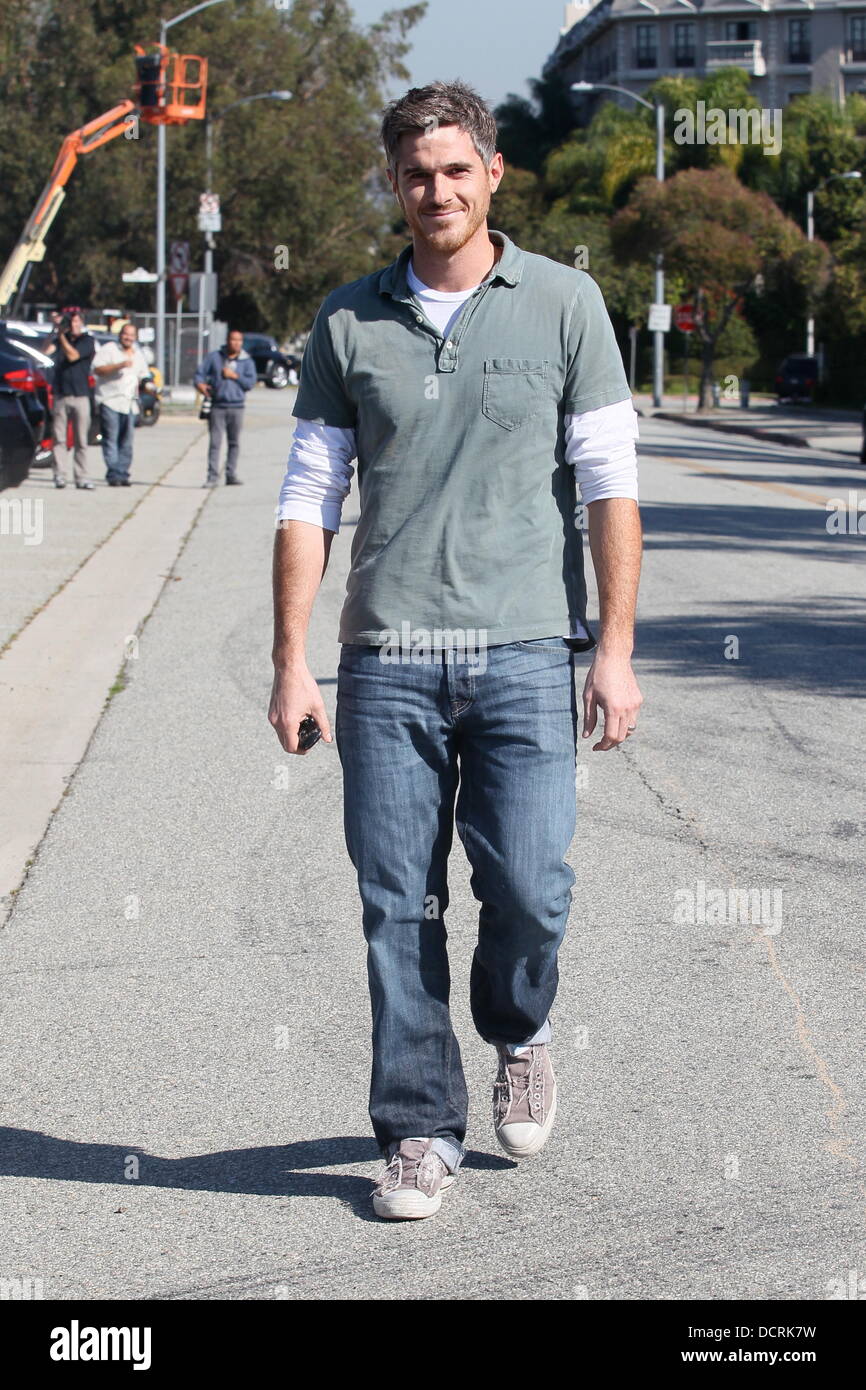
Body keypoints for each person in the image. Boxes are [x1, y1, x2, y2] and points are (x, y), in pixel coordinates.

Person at [269, 81, 643, 1222]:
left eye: (454, 170)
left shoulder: (566, 303)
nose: (435, 190)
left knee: (528, 884)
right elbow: (308, 496)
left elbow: (609, 485)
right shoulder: (347, 321)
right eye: (414, 174)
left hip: (525, 649)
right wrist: (290, 659)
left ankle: (519, 1029)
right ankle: (419, 1129)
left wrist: (614, 649)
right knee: (397, 904)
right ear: (394, 185)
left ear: (492, 174)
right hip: (385, 659)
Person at [193, 329, 257, 486]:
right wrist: (200, 385)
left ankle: (231, 474)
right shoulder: (215, 357)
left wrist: (234, 376)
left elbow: (250, 383)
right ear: (227, 340)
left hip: (237, 407)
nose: (236, 343)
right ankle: (212, 477)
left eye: (239, 340)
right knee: (215, 443)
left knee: (234, 442)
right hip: (217, 406)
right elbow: (199, 374)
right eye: (233, 340)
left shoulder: (246, 361)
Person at [92, 322, 152, 485]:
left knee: (127, 440)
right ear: (120, 334)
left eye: (131, 335)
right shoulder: (109, 349)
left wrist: (148, 385)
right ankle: (113, 473)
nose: (128, 338)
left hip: (129, 403)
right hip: (110, 400)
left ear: (135, 337)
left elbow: (144, 375)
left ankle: (123, 473)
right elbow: (97, 369)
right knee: (111, 438)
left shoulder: (137, 353)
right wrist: (119, 365)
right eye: (125, 334)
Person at [44, 308, 95, 490]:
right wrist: (54, 330)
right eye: (70, 322)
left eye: (75, 322)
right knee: (59, 438)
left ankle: (82, 477)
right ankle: (60, 475)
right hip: (61, 395)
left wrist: (62, 338)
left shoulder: (87, 341)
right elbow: (45, 352)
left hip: (81, 395)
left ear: (81, 323)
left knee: (81, 440)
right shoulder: (59, 339)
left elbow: (73, 356)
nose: (72, 325)